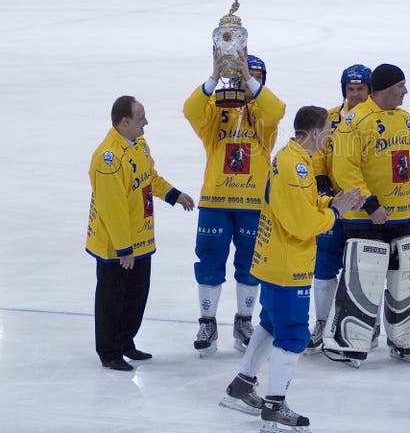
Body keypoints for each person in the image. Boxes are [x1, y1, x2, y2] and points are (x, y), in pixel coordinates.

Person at [218, 106, 363, 431]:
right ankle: (274, 406)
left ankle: (242, 386)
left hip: (274, 260)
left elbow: (298, 204)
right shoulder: (296, 166)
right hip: (287, 265)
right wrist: (336, 213)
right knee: (294, 331)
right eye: (328, 131)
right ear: (314, 133)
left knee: (270, 323)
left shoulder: (292, 159)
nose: (330, 137)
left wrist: (330, 202)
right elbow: (301, 223)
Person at [322, 63, 410, 367]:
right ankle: (350, 338)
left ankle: (402, 336)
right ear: (386, 88)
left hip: (400, 215)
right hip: (364, 216)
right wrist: (370, 204)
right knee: (364, 274)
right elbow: (344, 168)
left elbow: (407, 163)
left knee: (404, 276)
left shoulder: (405, 120)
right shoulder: (355, 121)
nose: (405, 91)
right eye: (401, 86)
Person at [184, 45, 286, 356]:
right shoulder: (217, 112)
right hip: (216, 201)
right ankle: (207, 321)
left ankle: (243, 321)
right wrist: (216, 75)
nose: (246, 81)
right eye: (242, 76)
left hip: (254, 204)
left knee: (250, 266)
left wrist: (247, 77)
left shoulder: (264, 119)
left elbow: (276, 109)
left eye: (254, 77)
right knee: (209, 263)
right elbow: (190, 110)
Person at [87, 96, 195, 371]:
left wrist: (174, 194)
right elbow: (112, 209)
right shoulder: (108, 158)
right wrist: (124, 249)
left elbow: (149, 178)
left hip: (141, 240)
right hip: (118, 248)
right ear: (124, 122)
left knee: (137, 295)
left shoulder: (139, 145)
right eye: (140, 119)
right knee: (113, 299)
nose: (146, 123)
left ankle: (126, 342)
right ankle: (109, 352)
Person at [305, 64, 372, 354]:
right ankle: (321, 322)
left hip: (363, 209)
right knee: (324, 265)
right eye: (351, 89)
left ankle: (366, 323)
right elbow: (318, 155)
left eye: (360, 89)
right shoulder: (331, 118)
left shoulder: (375, 119)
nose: (355, 94)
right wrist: (324, 189)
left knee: (362, 269)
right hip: (333, 206)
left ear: (370, 90)